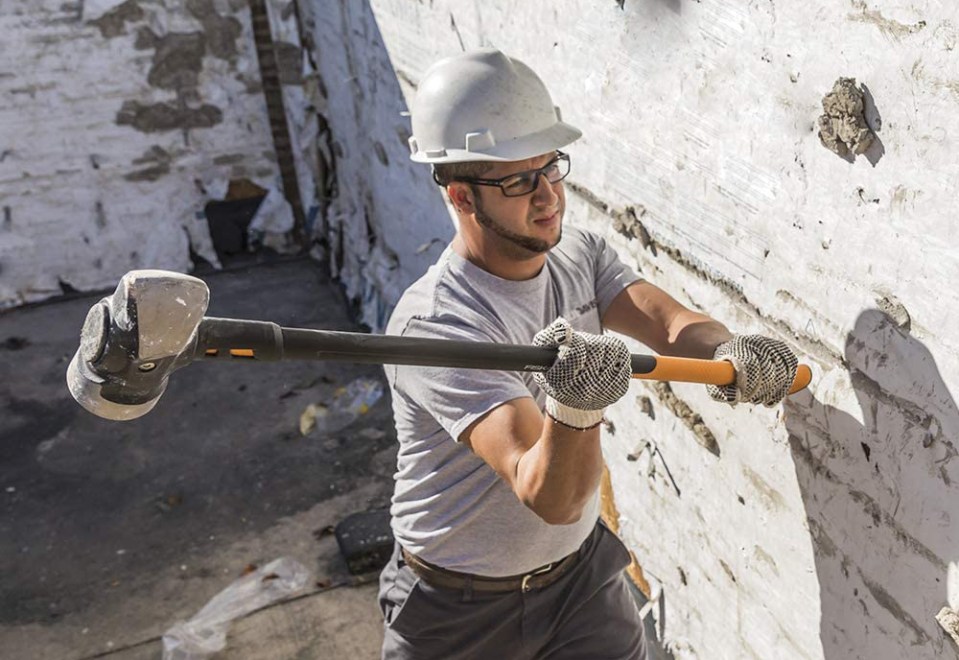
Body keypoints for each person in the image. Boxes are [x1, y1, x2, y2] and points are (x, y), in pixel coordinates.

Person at [378, 49, 798, 660]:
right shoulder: (439, 324)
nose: (548, 196)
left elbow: (668, 322)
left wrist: (729, 350)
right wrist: (575, 409)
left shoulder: (578, 256)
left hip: (577, 583)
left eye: (551, 168)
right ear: (463, 198)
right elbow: (550, 496)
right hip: (456, 608)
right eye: (520, 181)